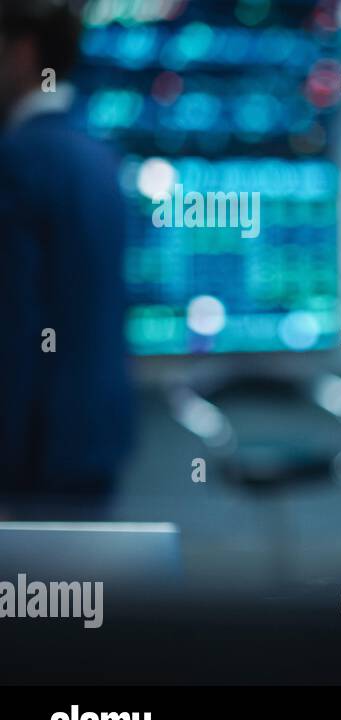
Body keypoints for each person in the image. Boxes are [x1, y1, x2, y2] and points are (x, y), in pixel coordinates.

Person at [0, 0, 134, 509]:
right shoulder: (99, 158)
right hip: (96, 439)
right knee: (87, 588)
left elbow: (15, 325)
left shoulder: (18, 160)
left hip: (31, 449)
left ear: (23, 53)